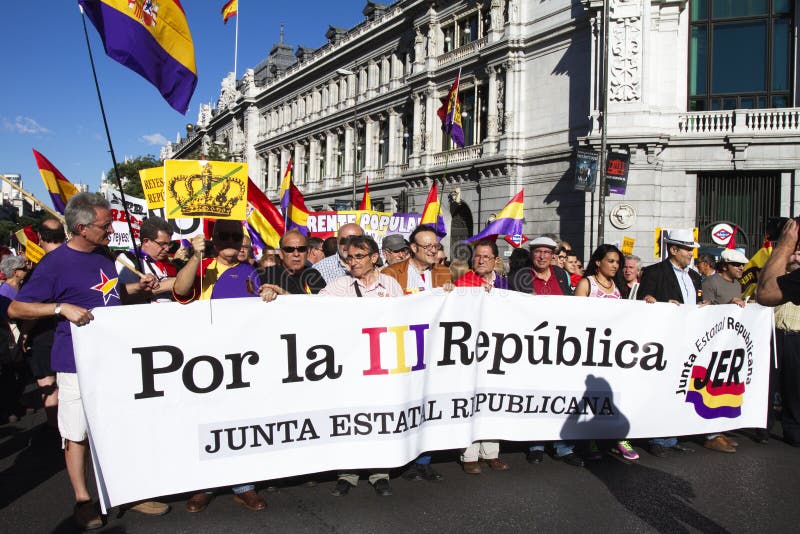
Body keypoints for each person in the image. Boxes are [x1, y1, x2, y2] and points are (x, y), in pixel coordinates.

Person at [8, 193, 165, 530]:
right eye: (105, 225)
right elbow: (16, 308)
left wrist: (138, 287)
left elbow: (109, 295)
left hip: (114, 360)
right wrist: (58, 308)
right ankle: (82, 499)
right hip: (75, 364)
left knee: (120, 428)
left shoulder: (104, 255)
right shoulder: (54, 264)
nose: (111, 229)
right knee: (76, 434)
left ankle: (128, 492)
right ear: (81, 228)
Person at [173, 220, 267, 513]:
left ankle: (244, 486)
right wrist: (197, 257)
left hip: (239, 359)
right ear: (213, 240)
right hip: (203, 358)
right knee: (204, 421)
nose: (229, 242)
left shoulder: (250, 271)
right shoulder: (202, 266)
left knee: (239, 420)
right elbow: (180, 289)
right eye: (223, 237)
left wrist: (271, 295)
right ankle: (204, 485)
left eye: (234, 237)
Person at [320, 235, 401, 496]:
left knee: (378, 418)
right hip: (350, 366)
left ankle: (379, 473)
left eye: (358, 256)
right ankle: (347, 473)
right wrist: (280, 295)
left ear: (374, 258)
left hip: (381, 364)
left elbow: (407, 315)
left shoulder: (390, 284)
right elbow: (309, 308)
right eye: (348, 257)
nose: (352, 262)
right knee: (350, 418)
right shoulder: (339, 285)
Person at [383, 225, 452, 481]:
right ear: (413, 248)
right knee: (406, 402)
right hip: (403, 348)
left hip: (432, 350)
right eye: (428, 247)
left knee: (429, 403)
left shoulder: (444, 272)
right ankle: (404, 459)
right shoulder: (391, 273)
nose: (434, 250)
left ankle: (424, 459)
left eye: (436, 246)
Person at [510, 236, 583, 467]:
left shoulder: (561, 276)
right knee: (537, 397)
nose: (542, 256)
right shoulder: (520, 276)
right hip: (532, 346)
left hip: (560, 345)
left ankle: (563, 446)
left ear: (553, 256)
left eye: (546, 252)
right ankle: (536, 445)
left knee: (561, 396)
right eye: (538, 252)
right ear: (532, 254)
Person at [638, 229, 702, 457]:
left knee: (679, 387)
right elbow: (644, 301)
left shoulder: (694, 276)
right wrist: (661, 304)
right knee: (659, 389)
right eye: (687, 249)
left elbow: (698, 303)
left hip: (688, 341)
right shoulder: (655, 272)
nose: (691, 253)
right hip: (663, 341)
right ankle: (655, 437)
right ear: (673, 249)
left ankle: (671, 436)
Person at [574, 244, 639, 461]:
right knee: (592, 397)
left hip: (613, 351)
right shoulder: (587, 284)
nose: (615, 265)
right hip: (589, 349)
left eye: (617, 262)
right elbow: (574, 317)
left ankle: (619, 438)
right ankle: (590, 439)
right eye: (610, 261)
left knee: (615, 395)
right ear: (598, 262)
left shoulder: (618, 285)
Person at [453, 240, 510, 473]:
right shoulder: (463, 282)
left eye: (486, 257)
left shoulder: (505, 284)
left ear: (496, 260)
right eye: (477, 257)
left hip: (497, 350)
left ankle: (492, 453)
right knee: (470, 401)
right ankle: (469, 455)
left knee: (492, 400)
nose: (480, 261)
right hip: (470, 350)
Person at [700, 248, 748, 453]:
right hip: (713, 344)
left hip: (730, 343)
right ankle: (710, 434)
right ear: (725, 265)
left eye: (743, 265)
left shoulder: (737, 284)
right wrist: (728, 305)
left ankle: (719, 429)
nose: (742, 269)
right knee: (711, 386)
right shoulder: (711, 283)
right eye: (737, 265)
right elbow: (706, 310)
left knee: (724, 387)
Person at [22, 217, 66, 430]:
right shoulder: (74, 262)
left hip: (45, 336)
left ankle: (57, 435)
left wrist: (24, 333)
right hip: (71, 333)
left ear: (40, 238)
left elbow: (29, 307)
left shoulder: (42, 268)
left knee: (50, 386)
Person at [116, 216, 177, 303]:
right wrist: (163, 286)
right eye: (162, 244)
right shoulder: (128, 259)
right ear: (146, 241)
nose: (167, 249)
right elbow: (124, 296)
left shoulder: (167, 262)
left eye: (169, 244)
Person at [258, 229, 326, 295]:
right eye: (289, 249)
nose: (296, 254)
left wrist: (283, 293)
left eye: (301, 249)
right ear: (281, 254)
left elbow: (325, 302)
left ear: (307, 253)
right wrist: (267, 291)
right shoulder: (267, 275)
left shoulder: (313, 275)